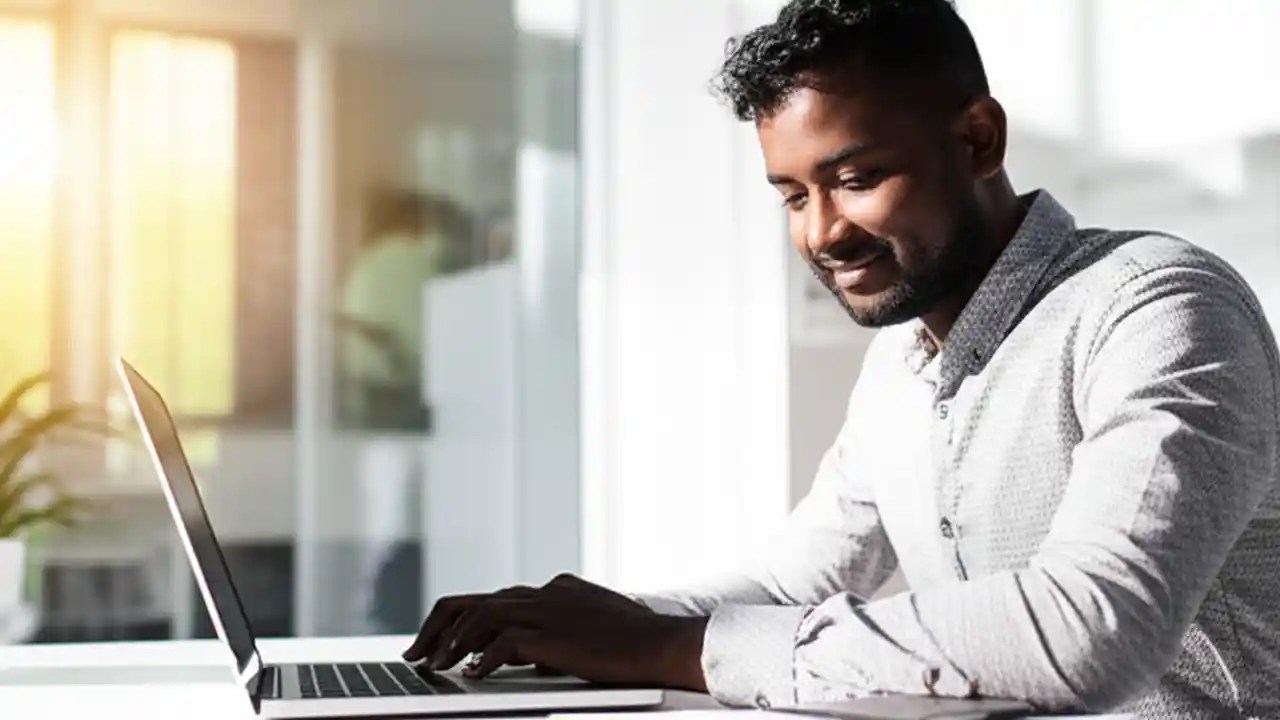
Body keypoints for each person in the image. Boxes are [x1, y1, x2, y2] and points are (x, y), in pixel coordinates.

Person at [402, 1, 1280, 716]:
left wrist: (666, 648)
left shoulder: (1161, 306)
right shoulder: (904, 363)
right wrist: (577, 625)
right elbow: (797, 580)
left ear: (978, 140)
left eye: (856, 180)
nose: (822, 232)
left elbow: (1095, 628)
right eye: (794, 194)